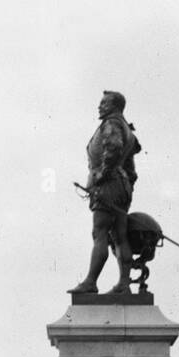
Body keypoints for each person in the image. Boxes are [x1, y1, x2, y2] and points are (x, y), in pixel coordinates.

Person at [68, 90, 141, 295]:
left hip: (108, 183)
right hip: (122, 185)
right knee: (119, 236)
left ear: (115, 106)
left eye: (104, 103)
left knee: (99, 232)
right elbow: (132, 170)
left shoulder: (111, 124)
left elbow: (114, 148)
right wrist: (125, 185)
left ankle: (91, 281)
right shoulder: (127, 130)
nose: (100, 106)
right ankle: (124, 284)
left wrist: (102, 175)